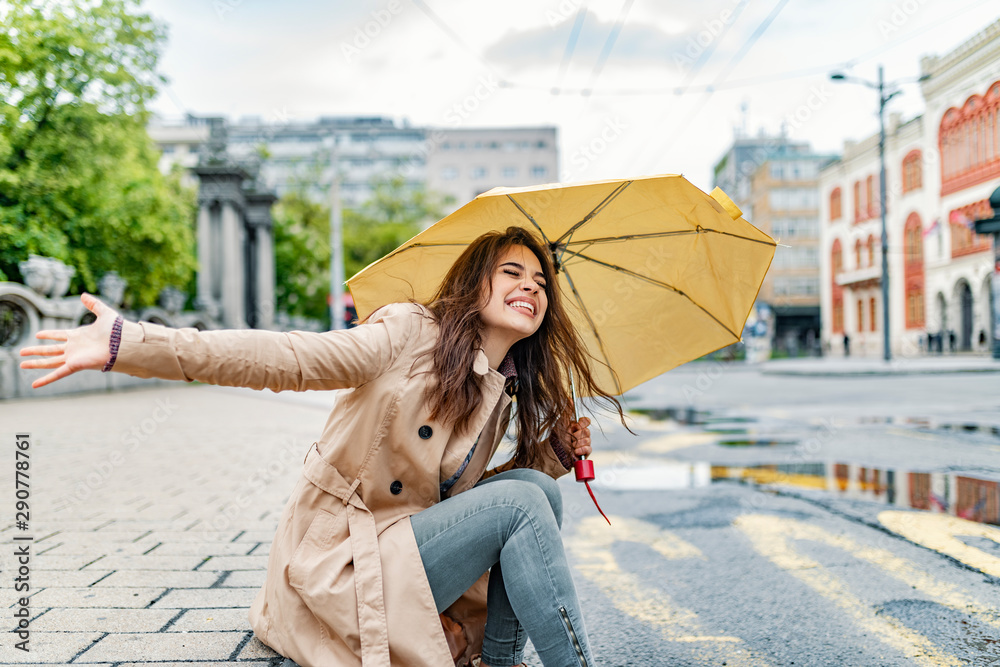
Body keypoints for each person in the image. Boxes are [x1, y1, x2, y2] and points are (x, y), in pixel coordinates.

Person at [20, 226, 625, 667]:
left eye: (542, 282)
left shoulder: (499, 385)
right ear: (475, 285)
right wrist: (132, 342)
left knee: (536, 489)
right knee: (522, 503)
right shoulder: (409, 333)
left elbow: (461, 496)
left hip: (404, 548)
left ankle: (498, 661)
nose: (532, 288)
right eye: (513, 273)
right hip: (342, 559)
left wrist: (554, 457)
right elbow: (287, 357)